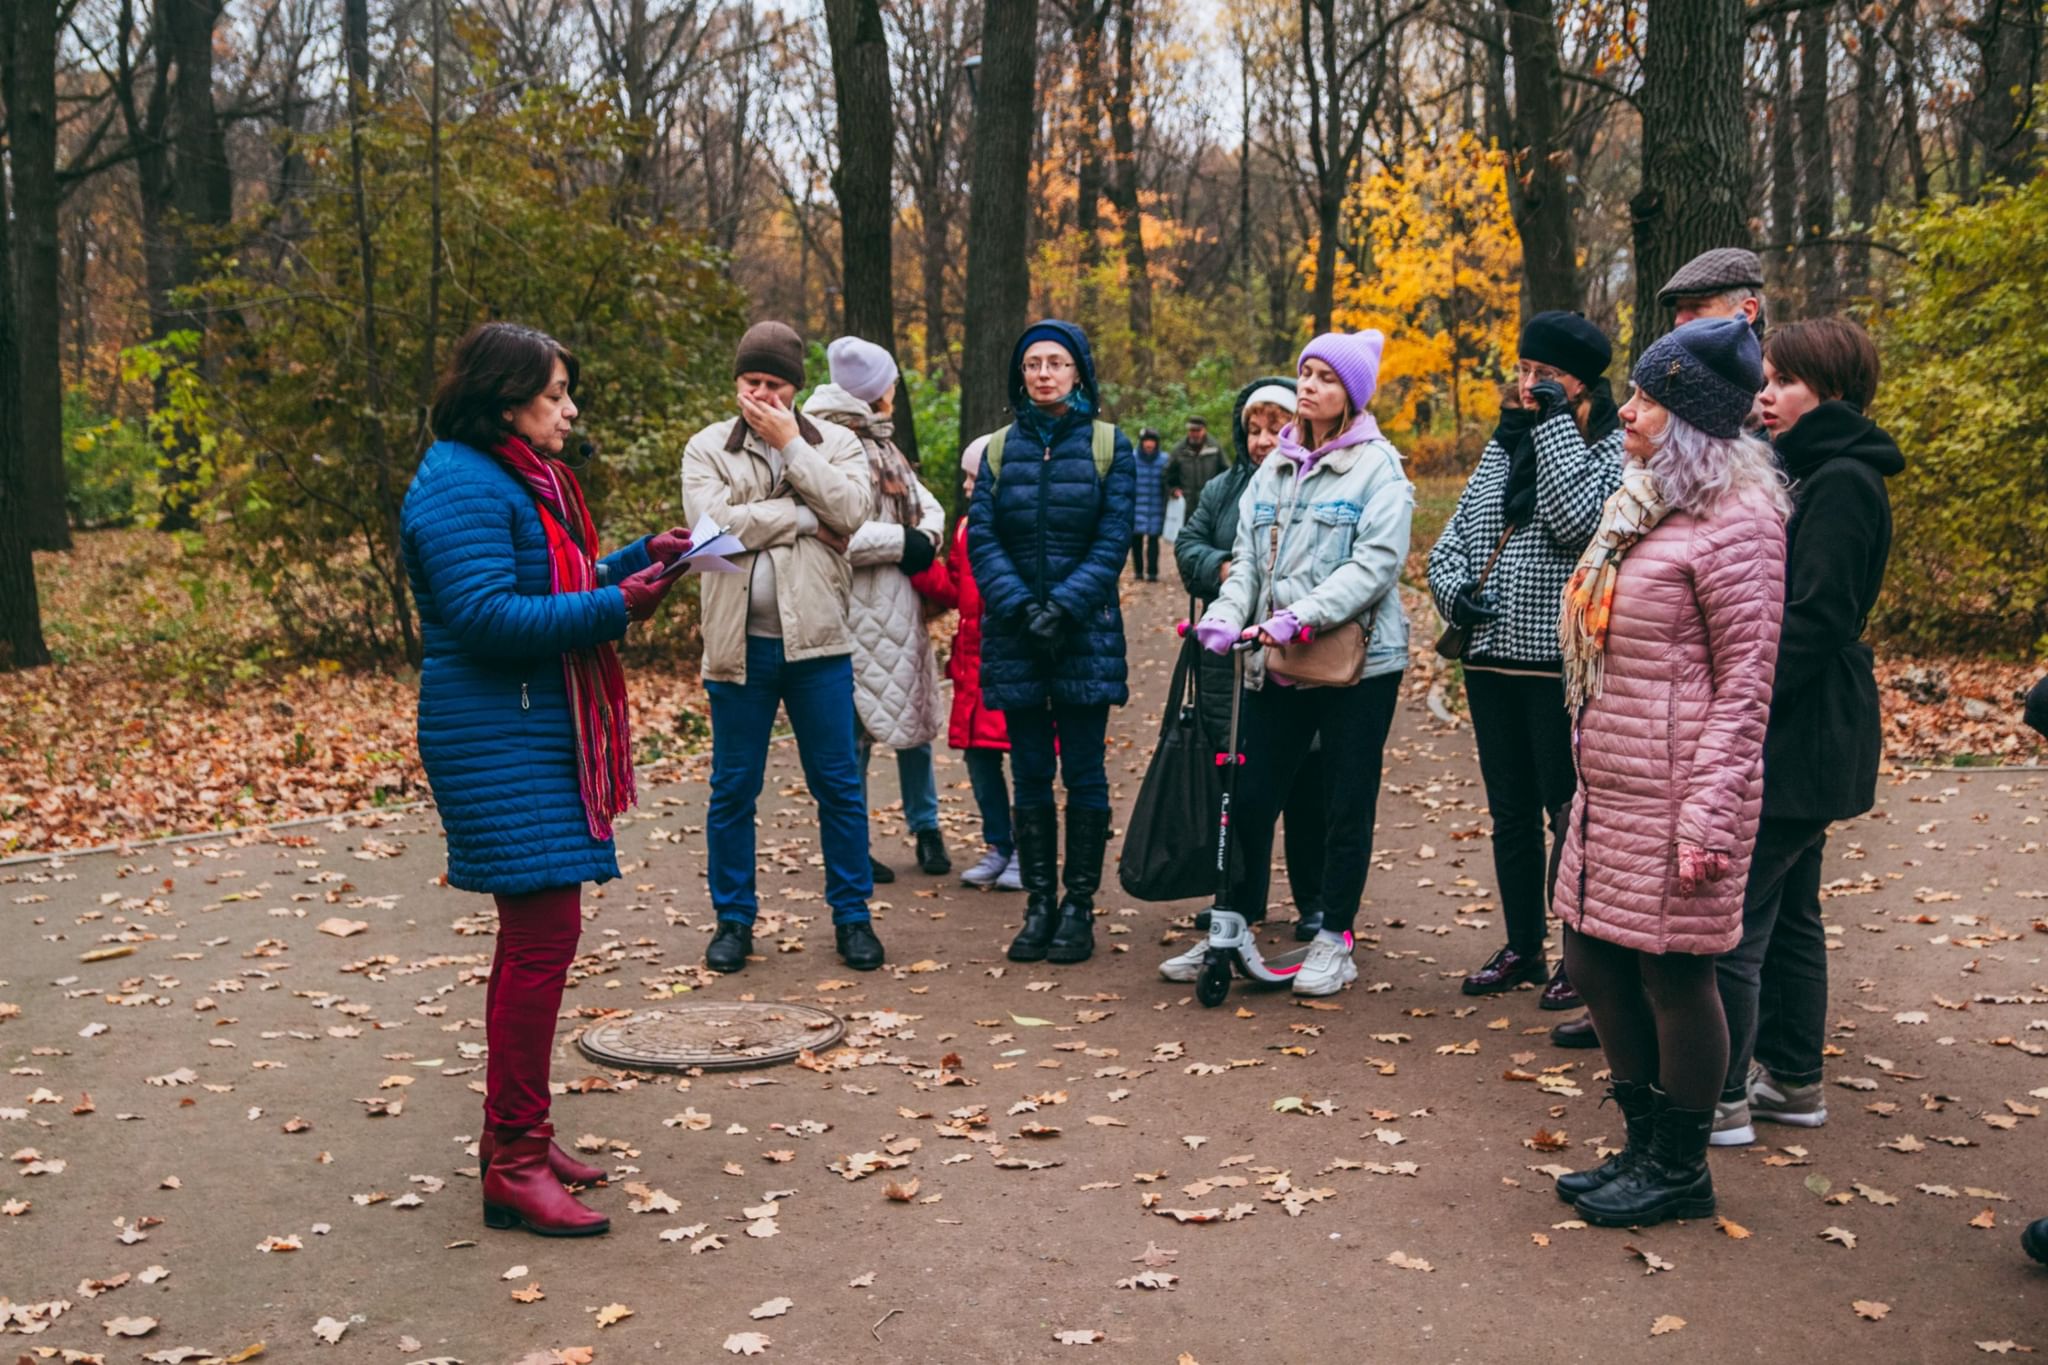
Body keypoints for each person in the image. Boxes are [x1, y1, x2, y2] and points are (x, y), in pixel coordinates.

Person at [403, 322, 691, 1237]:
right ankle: (515, 1161)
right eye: (557, 392)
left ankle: (515, 1139)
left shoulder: (515, 476)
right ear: (505, 399)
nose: (570, 409)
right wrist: (615, 605)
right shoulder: (459, 480)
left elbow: (545, 580)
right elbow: (487, 615)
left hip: (531, 724)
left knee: (535, 938)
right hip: (498, 731)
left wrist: (641, 558)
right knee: (541, 937)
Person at [1549, 317, 1790, 1229]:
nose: (1627, 409)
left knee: (1676, 973)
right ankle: (1644, 1139)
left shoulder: (1742, 522)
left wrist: (1709, 811)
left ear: (1690, 414)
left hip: (1685, 784)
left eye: (1648, 397)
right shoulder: (1645, 500)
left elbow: (1746, 686)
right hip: (1614, 778)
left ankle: (1681, 1165)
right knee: (1590, 954)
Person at [1708, 318, 1900, 1147]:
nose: (1765, 395)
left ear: (1830, 389)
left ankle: (1716, 1094)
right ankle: (1790, 1076)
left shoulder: (1844, 480)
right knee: (1788, 916)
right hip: (1798, 722)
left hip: (1804, 726)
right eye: (1766, 379)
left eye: (1783, 380)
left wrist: (1741, 704)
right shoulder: (1807, 470)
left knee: (1737, 918)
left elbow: (1813, 618)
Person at [1192, 332, 1413, 997]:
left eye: (1324, 376)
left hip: (1358, 665)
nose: (1309, 385)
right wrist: (1227, 615)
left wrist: (1301, 615)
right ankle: (1230, 924)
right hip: (1277, 658)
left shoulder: (1380, 468)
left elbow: (1375, 565)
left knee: (1346, 799)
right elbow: (1248, 562)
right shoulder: (1275, 468)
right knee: (1253, 794)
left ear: (1352, 392)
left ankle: (1334, 935)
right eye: (1305, 373)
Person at [1429, 312, 1623, 1010]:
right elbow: (1451, 544)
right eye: (1523, 372)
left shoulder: (1610, 449)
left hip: (1556, 663)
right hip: (1488, 660)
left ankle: (1581, 955)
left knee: (1567, 811)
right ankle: (1521, 945)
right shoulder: (1503, 444)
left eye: (1545, 377)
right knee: (1508, 812)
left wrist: (1551, 427)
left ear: (1580, 383)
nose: (1528, 386)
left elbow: (1578, 523)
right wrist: (1455, 594)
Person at [681, 321, 883, 976]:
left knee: (839, 785)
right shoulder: (707, 447)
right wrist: (799, 518)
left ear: (794, 389)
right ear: (736, 383)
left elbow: (852, 512)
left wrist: (793, 447)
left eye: (773, 384)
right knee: (734, 788)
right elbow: (709, 534)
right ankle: (733, 920)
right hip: (738, 648)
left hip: (818, 645)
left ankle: (853, 917)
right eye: (751, 382)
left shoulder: (838, 444)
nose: (761, 395)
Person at [969, 319, 1135, 965]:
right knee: (1030, 769)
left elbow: (1114, 536)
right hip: (1015, 635)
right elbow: (981, 536)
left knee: (1085, 769)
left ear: (1078, 373)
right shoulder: (997, 451)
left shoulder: (1107, 445)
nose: (1043, 373)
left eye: (1056, 363)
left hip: (1084, 634)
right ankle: (1037, 902)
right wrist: (1018, 604)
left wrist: (1064, 606)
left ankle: (1078, 907)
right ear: (1021, 375)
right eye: (1033, 363)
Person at [1159, 378, 1330, 971]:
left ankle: (1314, 899)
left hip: (1294, 652)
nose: (1262, 442)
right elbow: (1188, 548)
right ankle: (1238, 897)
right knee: (1237, 782)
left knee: (1308, 780)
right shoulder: (1222, 488)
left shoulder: (1303, 483)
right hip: (1227, 658)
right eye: (1253, 430)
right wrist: (1229, 568)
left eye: (1273, 428)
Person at [802, 337, 951, 883]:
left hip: (898, 608)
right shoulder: (823, 442)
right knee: (855, 733)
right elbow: (831, 531)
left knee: (914, 722)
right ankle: (853, 840)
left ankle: (926, 827)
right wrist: (904, 542)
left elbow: (926, 505)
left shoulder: (883, 442)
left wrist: (922, 538)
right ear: (874, 390)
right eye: (890, 381)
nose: (894, 388)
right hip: (846, 606)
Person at [913, 434, 1022, 891]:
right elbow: (957, 589)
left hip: (1013, 662)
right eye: (966, 477)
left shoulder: (1021, 527)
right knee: (980, 763)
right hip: (971, 665)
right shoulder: (964, 528)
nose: (967, 485)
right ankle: (999, 844)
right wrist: (917, 563)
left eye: (975, 477)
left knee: (1024, 762)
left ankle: (1028, 850)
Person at [1658, 247, 1766, 336]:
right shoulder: (1671, 359)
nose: (1679, 321)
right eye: (1679, 309)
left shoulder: (1772, 360)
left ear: (1747, 311)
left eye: (1697, 307)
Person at [1131, 428, 1169, 582]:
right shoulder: (1132, 458)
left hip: (1156, 506)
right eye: (1146, 441)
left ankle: (1152, 572)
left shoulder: (1164, 459)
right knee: (1136, 540)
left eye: (1152, 441)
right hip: (1136, 505)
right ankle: (1138, 571)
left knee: (1154, 540)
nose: (1149, 444)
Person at [1166, 414, 1227, 511]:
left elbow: (1226, 472)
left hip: (1210, 502)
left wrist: (1220, 492)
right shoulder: (1179, 450)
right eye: (1191, 431)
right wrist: (1173, 490)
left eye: (1197, 431)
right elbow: (1168, 474)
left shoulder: (1215, 448)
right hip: (1186, 505)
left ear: (1204, 430)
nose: (1194, 434)